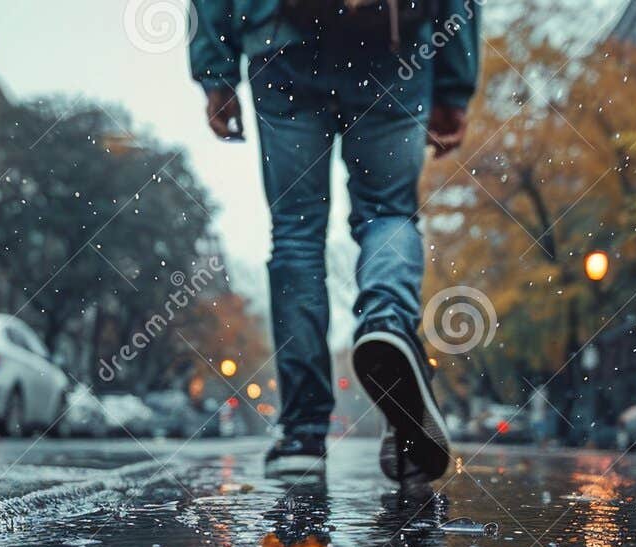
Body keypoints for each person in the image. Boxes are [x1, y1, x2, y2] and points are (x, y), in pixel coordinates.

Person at [190, 1, 482, 481]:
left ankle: (302, 434)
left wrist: (215, 72)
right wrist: (455, 83)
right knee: (387, 212)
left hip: (280, 40)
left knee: (295, 235)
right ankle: (387, 323)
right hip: (393, 40)